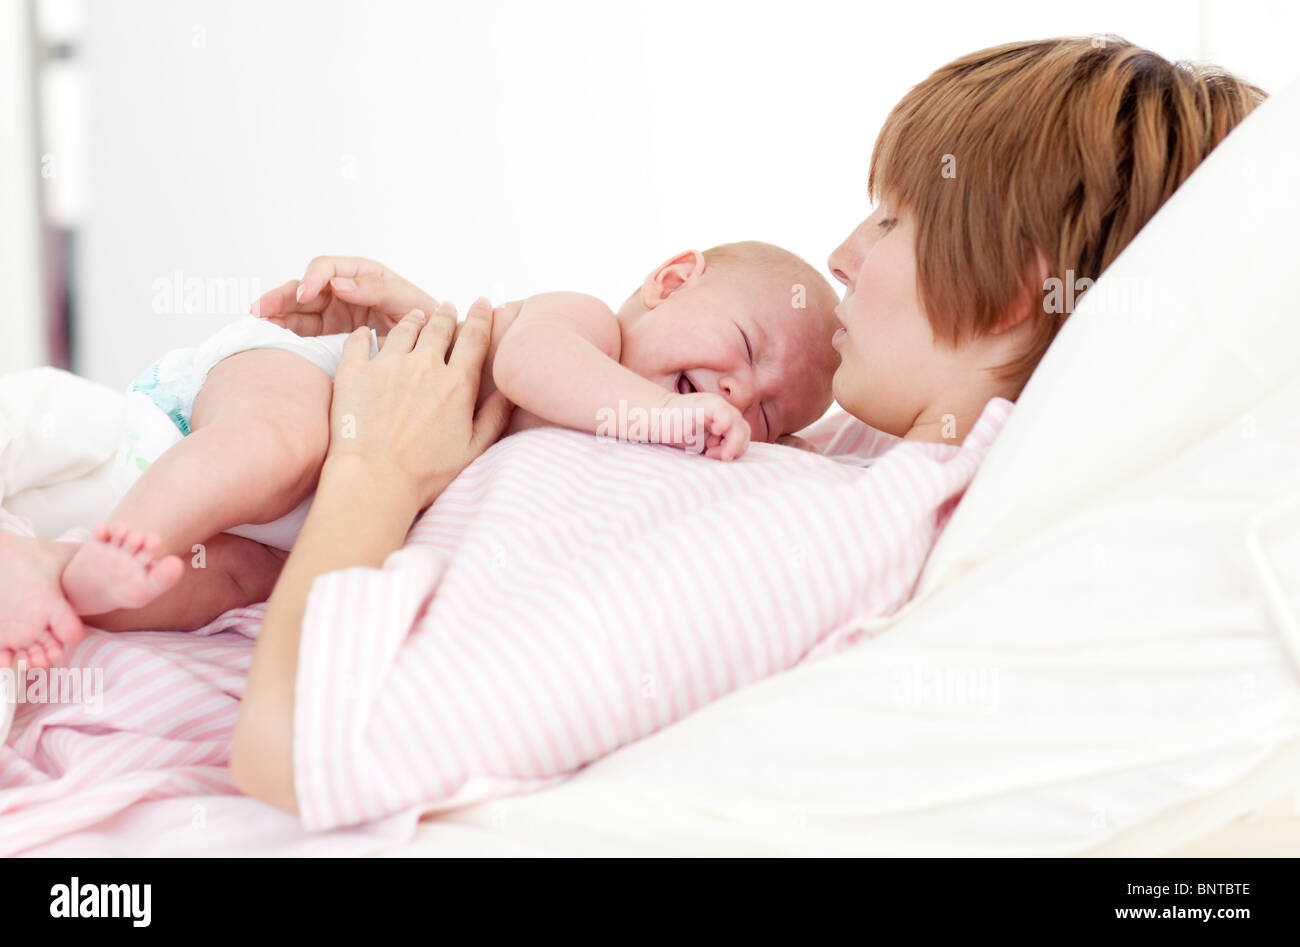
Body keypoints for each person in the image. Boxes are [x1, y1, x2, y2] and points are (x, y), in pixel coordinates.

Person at [1, 242, 840, 663]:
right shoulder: (589, 328)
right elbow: (518, 364)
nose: (737, 396)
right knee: (274, 446)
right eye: (744, 347)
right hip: (311, 387)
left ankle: (62, 576)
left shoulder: (640, 436)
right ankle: (127, 539)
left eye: (770, 411)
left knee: (237, 583)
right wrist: (662, 414)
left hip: (317, 510)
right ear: (672, 278)